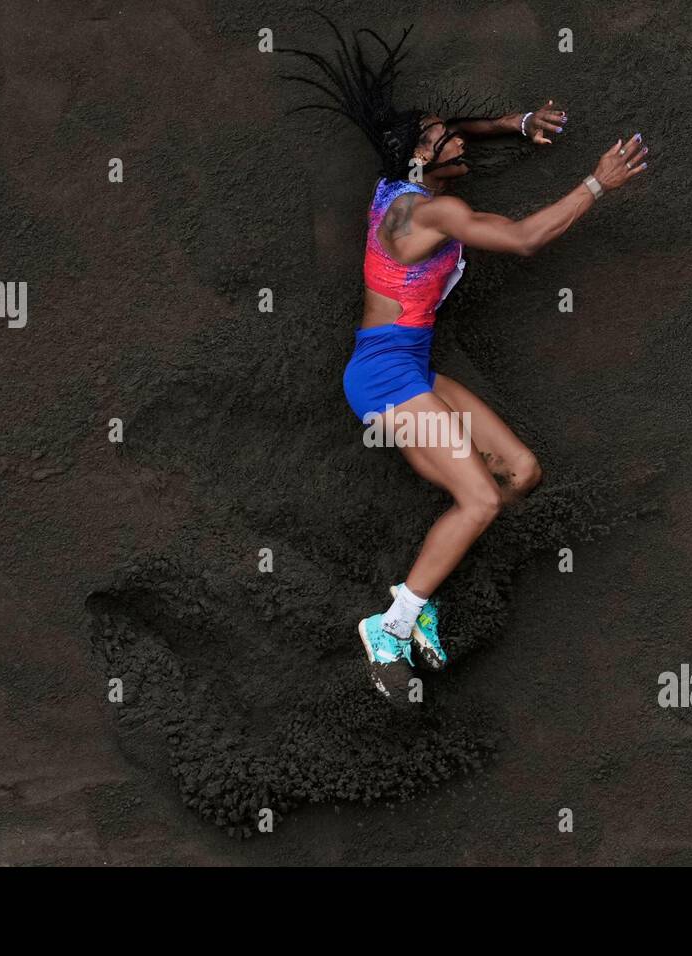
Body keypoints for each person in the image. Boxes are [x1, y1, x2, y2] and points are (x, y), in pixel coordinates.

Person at [277, 12, 650, 698]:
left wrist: (512, 123)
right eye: (445, 139)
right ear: (422, 157)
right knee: (479, 498)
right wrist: (598, 184)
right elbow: (528, 237)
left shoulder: (397, 182)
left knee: (523, 472)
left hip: (408, 366)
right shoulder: (431, 214)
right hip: (383, 378)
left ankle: (423, 585)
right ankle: (389, 626)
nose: (455, 138)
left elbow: (441, 122)